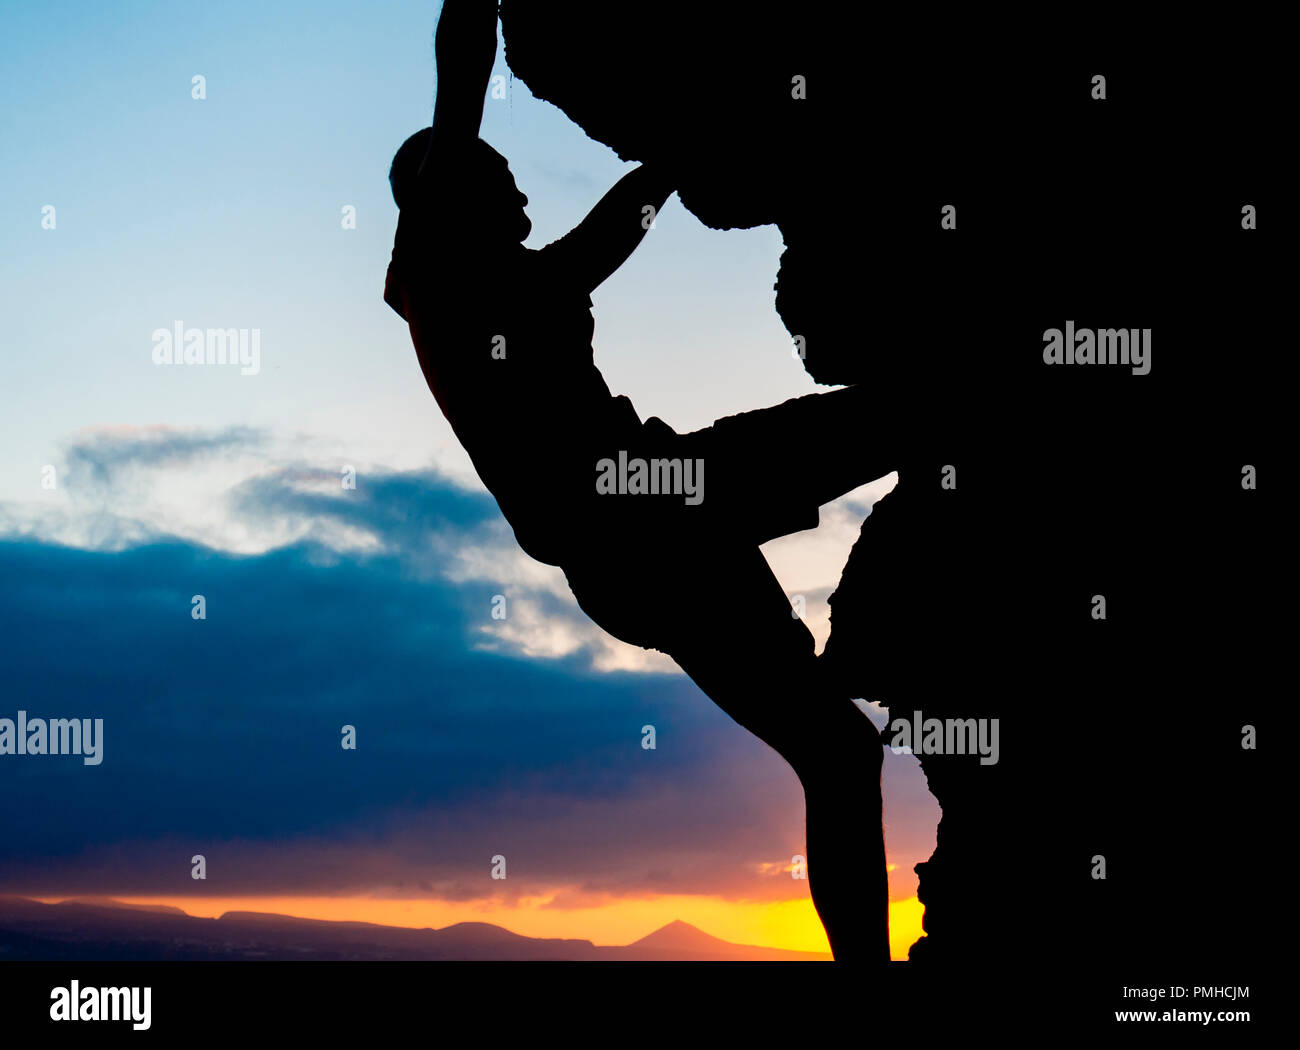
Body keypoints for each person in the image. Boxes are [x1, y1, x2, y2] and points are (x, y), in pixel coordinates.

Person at [385, 0, 892, 961]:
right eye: (498, 175)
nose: (515, 185)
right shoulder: (447, 279)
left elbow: (598, 242)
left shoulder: (497, 287)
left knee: (838, 753)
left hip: (647, 532)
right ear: (449, 199)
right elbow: (463, 97)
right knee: (895, 418)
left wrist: (669, 166)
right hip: (640, 508)